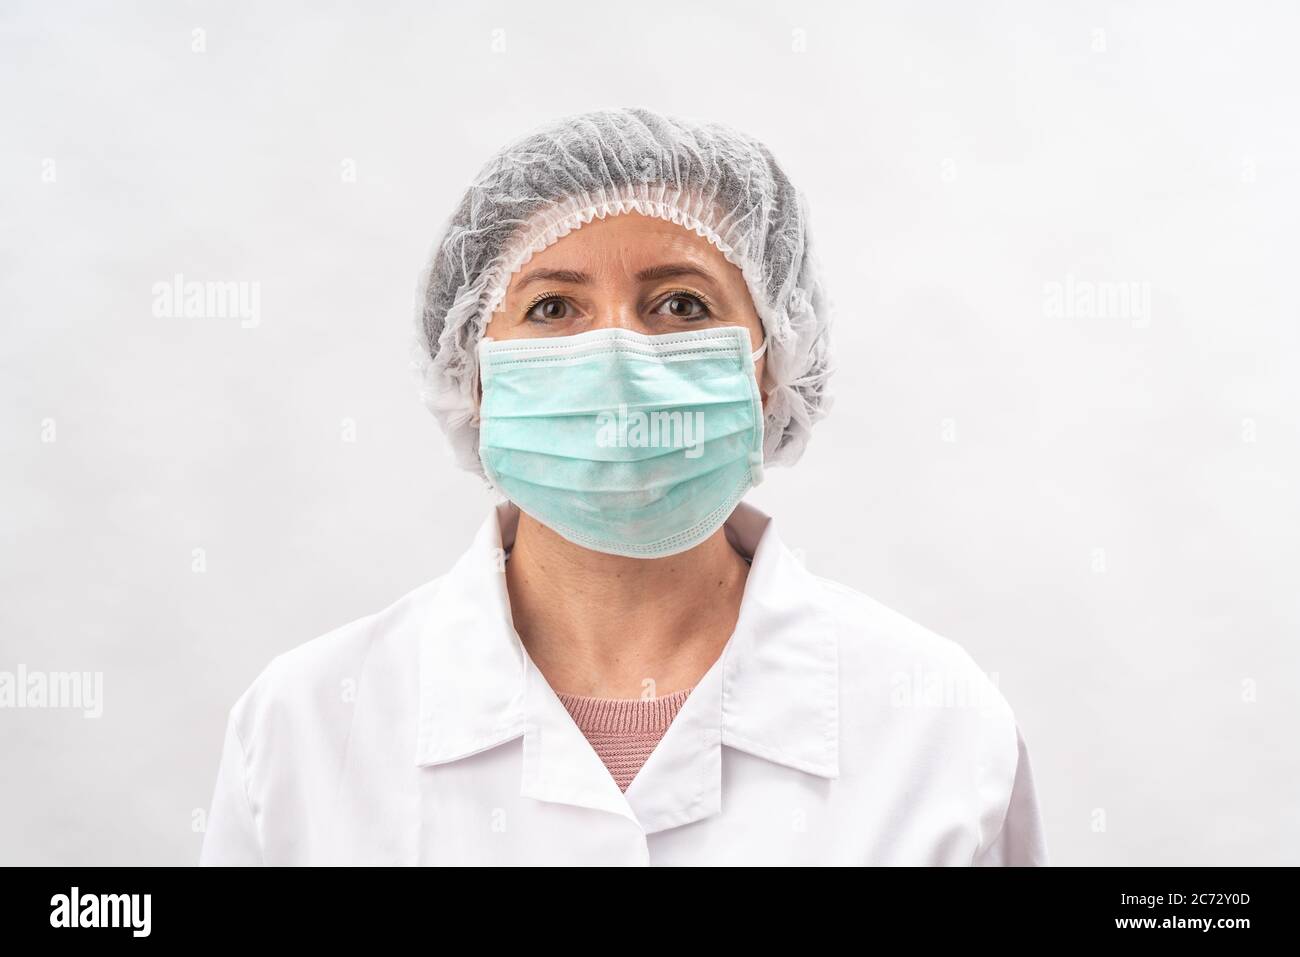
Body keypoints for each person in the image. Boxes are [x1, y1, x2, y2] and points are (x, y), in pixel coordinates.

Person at [199, 106, 1048, 866]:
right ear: (474, 374)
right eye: (553, 308)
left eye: (680, 305)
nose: (618, 359)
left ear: (770, 367)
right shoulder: (307, 727)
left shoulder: (936, 725)